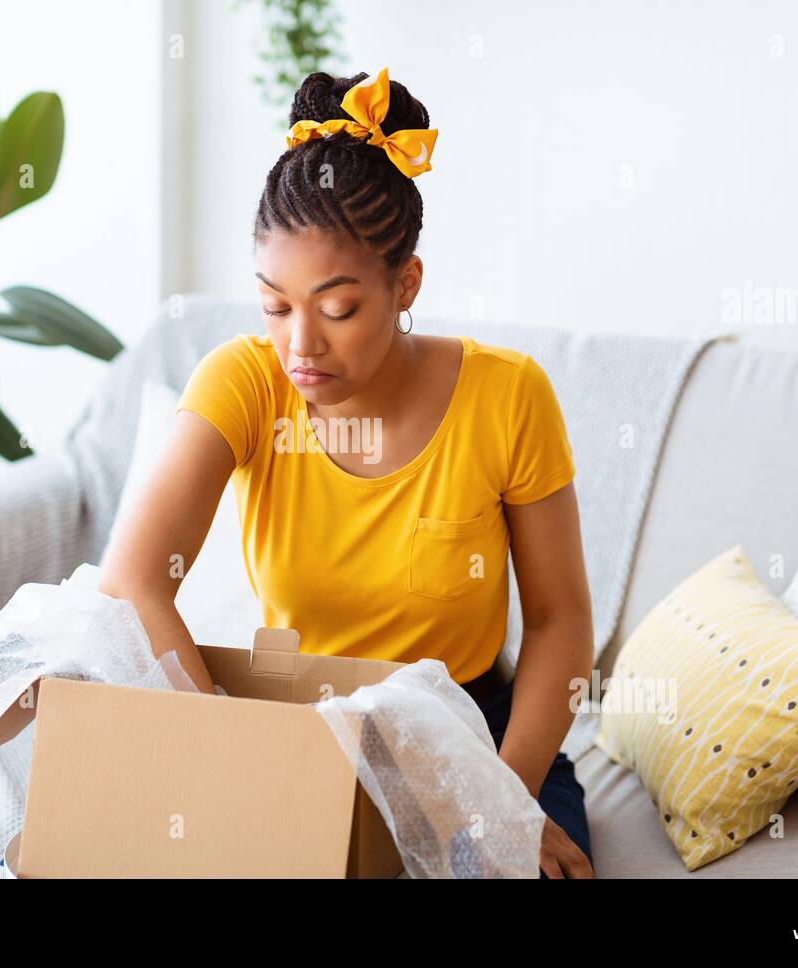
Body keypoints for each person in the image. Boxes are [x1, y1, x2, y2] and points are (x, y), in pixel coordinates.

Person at [99, 67, 595, 879]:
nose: (300, 345)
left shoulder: (510, 395)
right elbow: (132, 580)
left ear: (405, 284)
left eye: (336, 310)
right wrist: (225, 752)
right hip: (304, 728)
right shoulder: (245, 383)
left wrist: (504, 800)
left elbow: (560, 622)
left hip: (474, 739)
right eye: (274, 305)